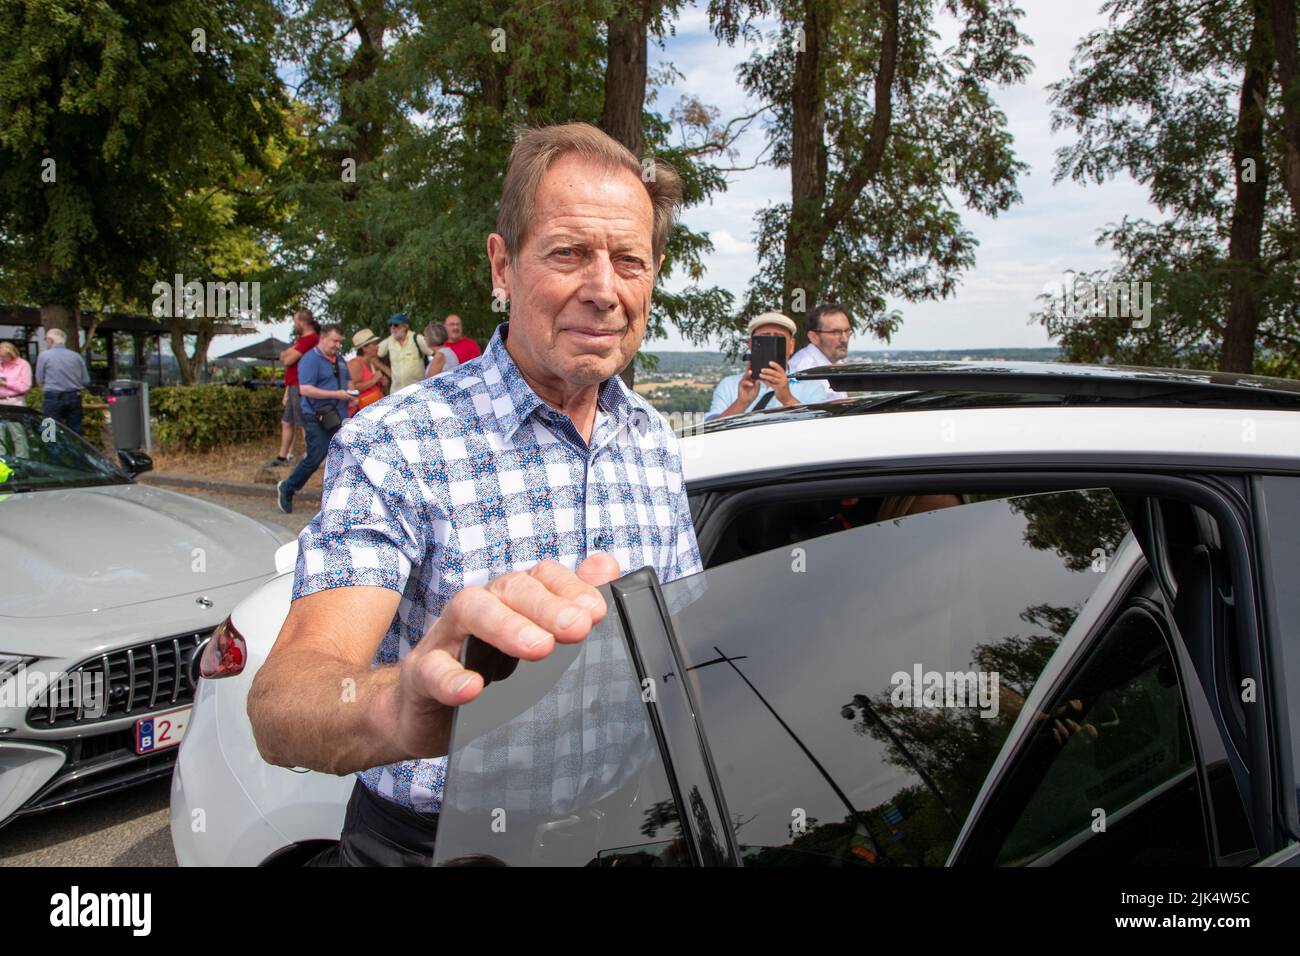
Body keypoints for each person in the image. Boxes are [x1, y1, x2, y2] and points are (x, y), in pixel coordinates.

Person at [247, 122, 701, 866]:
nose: (604, 290)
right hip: (439, 849)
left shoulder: (655, 439)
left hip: (632, 835)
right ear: (502, 265)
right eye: (568, 253)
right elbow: (284, 704)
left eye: (630, 261)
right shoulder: (398, 443)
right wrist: (402, 706)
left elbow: (677, 649)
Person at [277, 325, 351, 515]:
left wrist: (351, 395)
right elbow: (306, 389)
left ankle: (338, 499)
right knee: (315, 457)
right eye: (334, 341)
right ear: (323, 338)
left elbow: (348, 382)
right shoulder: (310, 359)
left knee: (344, 456)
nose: (337, 345)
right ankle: (288, 487)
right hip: (316, 415)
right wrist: (338, 394)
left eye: (340, 342)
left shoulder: (340, 360)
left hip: (339, 416)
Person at [705, 312, 828, 421]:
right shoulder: (729, 385)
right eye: (765, 338)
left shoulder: (812, 386)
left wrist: (787, 399)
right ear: (751, 344)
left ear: (791, 346)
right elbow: (711, 432)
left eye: (779, 338)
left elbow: (818, 430)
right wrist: (742, 402)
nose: (771, 344)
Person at [271, 309, 320, 466]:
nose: (294, 325)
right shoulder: (302, 340)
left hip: (301, 385)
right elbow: (284, 356)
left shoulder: (310, 339)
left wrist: (287, 354)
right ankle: (282, 456)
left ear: (301, 322)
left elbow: (287, 360)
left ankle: (313, 455)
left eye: (294, 321)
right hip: (293, 385)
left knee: (304, 422)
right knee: (287, 422)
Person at [789, 303, 852, 401]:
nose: (844, 339)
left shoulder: (835, 363)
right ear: (813, 337)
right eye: (835, 332)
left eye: (847, 331)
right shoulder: (804, 371)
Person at [34, 328, 90, 434]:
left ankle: (51, 451)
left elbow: (39, 379)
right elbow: (86, 380)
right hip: (75, 396)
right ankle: (75, 450)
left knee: (49, 432)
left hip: (53, 397)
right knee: (75, 431)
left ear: (50, 340)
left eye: (46, 340)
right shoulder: (76, 356)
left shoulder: (44, 355)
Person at [376, 313, 430, 394]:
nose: (392, 327)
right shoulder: (389, 341)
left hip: (417, 390)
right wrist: (386, 370)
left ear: (405, 326)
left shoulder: (417, 338)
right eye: (390, 325)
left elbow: (435, 352)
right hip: (397, 392)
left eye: (396, 325)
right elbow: (372, 354)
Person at [346, 329, 388, 413]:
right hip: (362, 412)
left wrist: (383, 384)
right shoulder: (355, 363)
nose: (378, 346)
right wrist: (374, 380)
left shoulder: (372, 363)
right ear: (364, 348)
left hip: (375, 408)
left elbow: (374, 389)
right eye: (374, 344)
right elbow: (353, 389)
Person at [0, 342, 33, 406]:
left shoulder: (23, 365)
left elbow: (25, 386)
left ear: (12, 354)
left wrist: (5, 384)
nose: (1, 358)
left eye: (3, 356)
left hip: (14, 401)